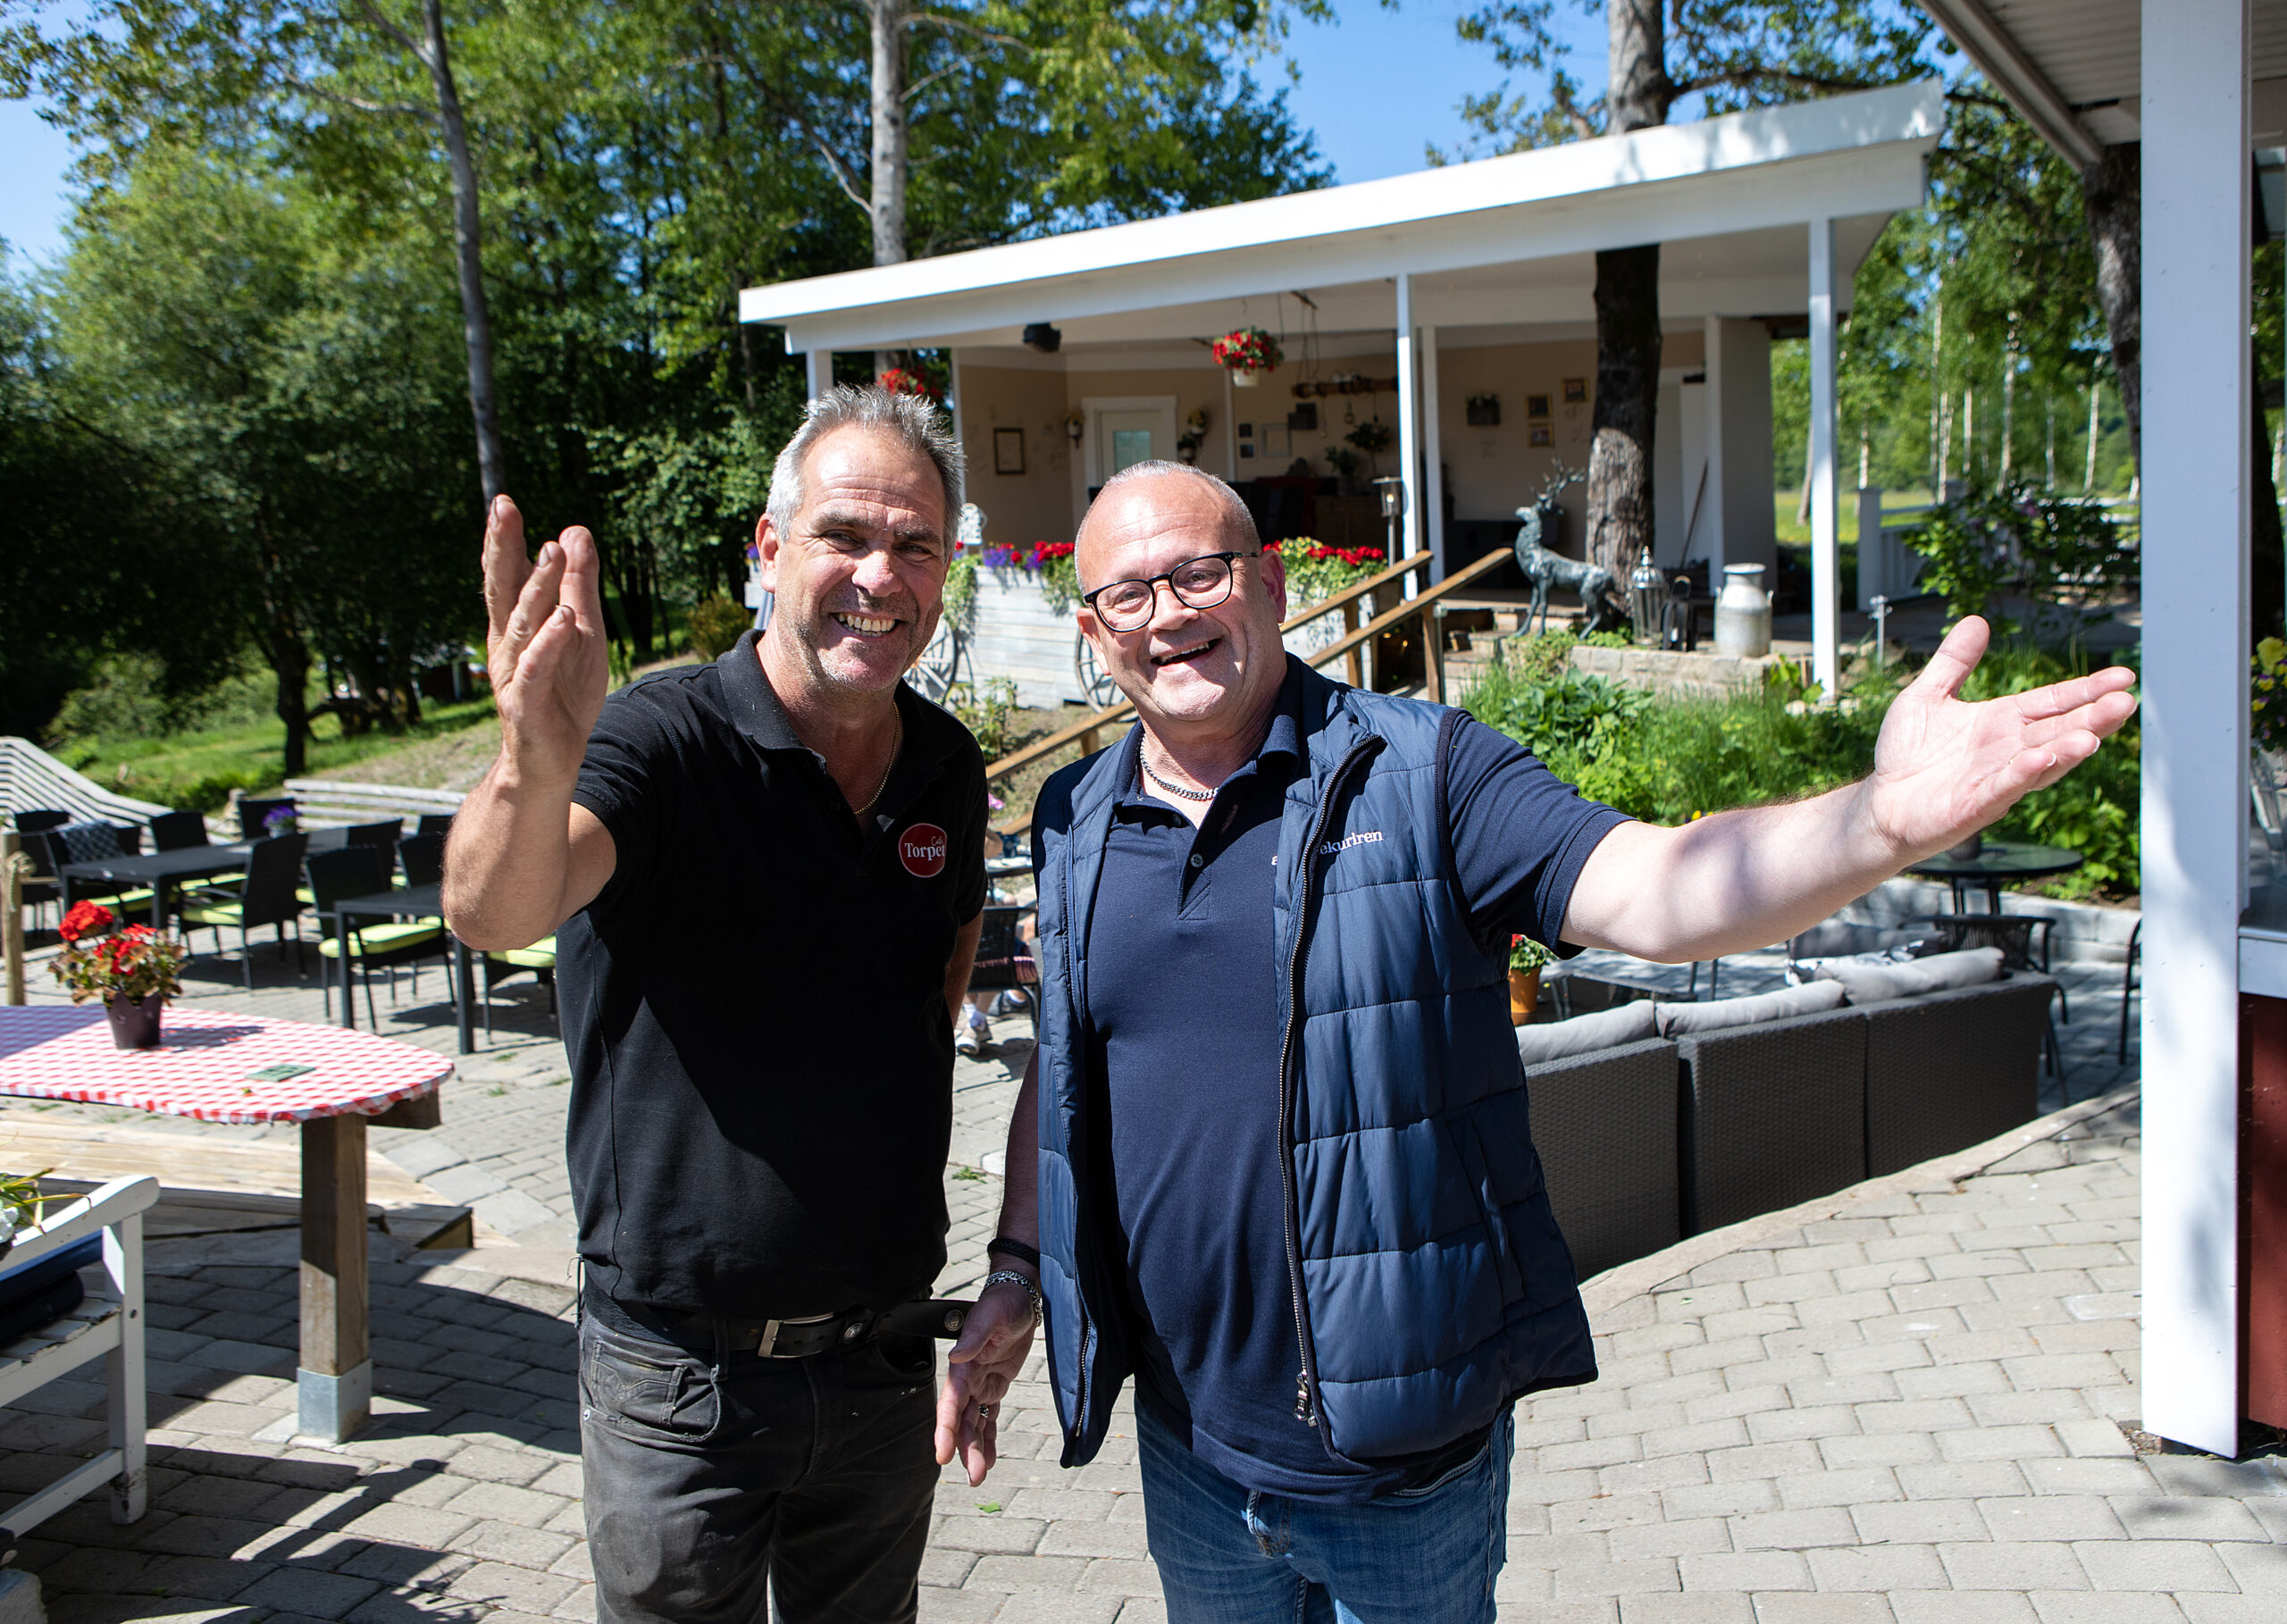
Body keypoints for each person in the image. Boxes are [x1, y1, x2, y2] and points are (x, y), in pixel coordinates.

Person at [976, 460, 2136, 1623]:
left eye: (1200, 572)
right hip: (1187, 1445)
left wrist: (1877, 819)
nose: (1169, 612)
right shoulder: (1074, 816)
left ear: (1271, 583)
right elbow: (1070, 1064)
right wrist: (1018, 1264)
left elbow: (1663, 888)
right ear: (1092, 628)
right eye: (1130, 592)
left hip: (1402, 1468)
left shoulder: (1423, 771)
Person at [442, 385, 1042, 1624]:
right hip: (681, 1386)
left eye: (916, 544)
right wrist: (530, 762)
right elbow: (496, 910)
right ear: (769, 550)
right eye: (846, 535)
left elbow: (941, 977)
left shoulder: (942, 765)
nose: (881, 575)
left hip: (881, 1364)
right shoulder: (662, 739)